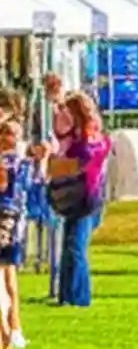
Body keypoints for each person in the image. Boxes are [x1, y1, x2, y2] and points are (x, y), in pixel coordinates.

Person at [52, 93, 111, 307]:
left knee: (76, 246)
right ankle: (66, 294)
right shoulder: (78, 138)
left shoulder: (93, 140)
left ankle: (78, 296)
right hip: (76, 195)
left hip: (87, 197)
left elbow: (85, 158)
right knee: (70, 246)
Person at [0, 121, 45, 348]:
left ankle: (6, 333)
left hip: (4, 216)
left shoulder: (8, 162)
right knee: (9, 275)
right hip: (16, 218)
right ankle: (13, 328)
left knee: (4, 276)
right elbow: (35, 184)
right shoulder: (23, 162)